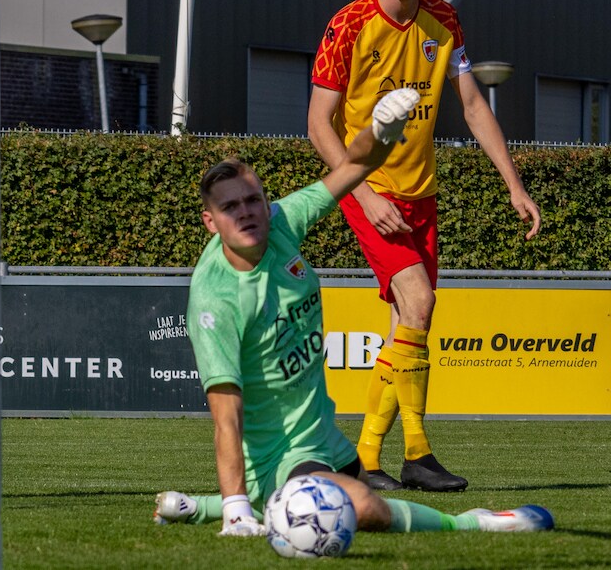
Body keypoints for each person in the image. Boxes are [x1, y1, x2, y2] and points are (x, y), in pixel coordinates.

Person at [152, 88, 553, 536]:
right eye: (229, 207)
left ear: (267, 203)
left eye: (252, 201)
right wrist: (235, 509)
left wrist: (380, 132)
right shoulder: (215, 300)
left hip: (321, 432)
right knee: (366, 510)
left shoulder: (282, 220)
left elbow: (356, 165)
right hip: (276, 456)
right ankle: (472, 524)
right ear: (210, 222)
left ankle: (196, 506)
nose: (245, 213)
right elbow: (227, 419)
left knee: (373, 502)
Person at [306, 0, 541, 492]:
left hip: (421, 192)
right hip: (368, 187)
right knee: (419, 301)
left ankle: (367, 459)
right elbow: (319, 124)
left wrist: (514, 185)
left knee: (408, 324)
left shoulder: (445, 20)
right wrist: (363, 193)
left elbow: (474, 105)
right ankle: (417, 452)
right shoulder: (349, 25)